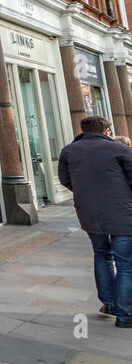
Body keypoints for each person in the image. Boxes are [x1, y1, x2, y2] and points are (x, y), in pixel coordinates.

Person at [58, 115, 132, 326]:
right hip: (122, 213)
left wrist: (85, 193)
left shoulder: (69, 151)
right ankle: (125, 313)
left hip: (89, 212)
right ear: (106, 130)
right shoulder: (121, 149)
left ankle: (108, 303)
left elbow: (65, 179)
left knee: (102, 255)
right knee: (126, 264)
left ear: (83, 129)